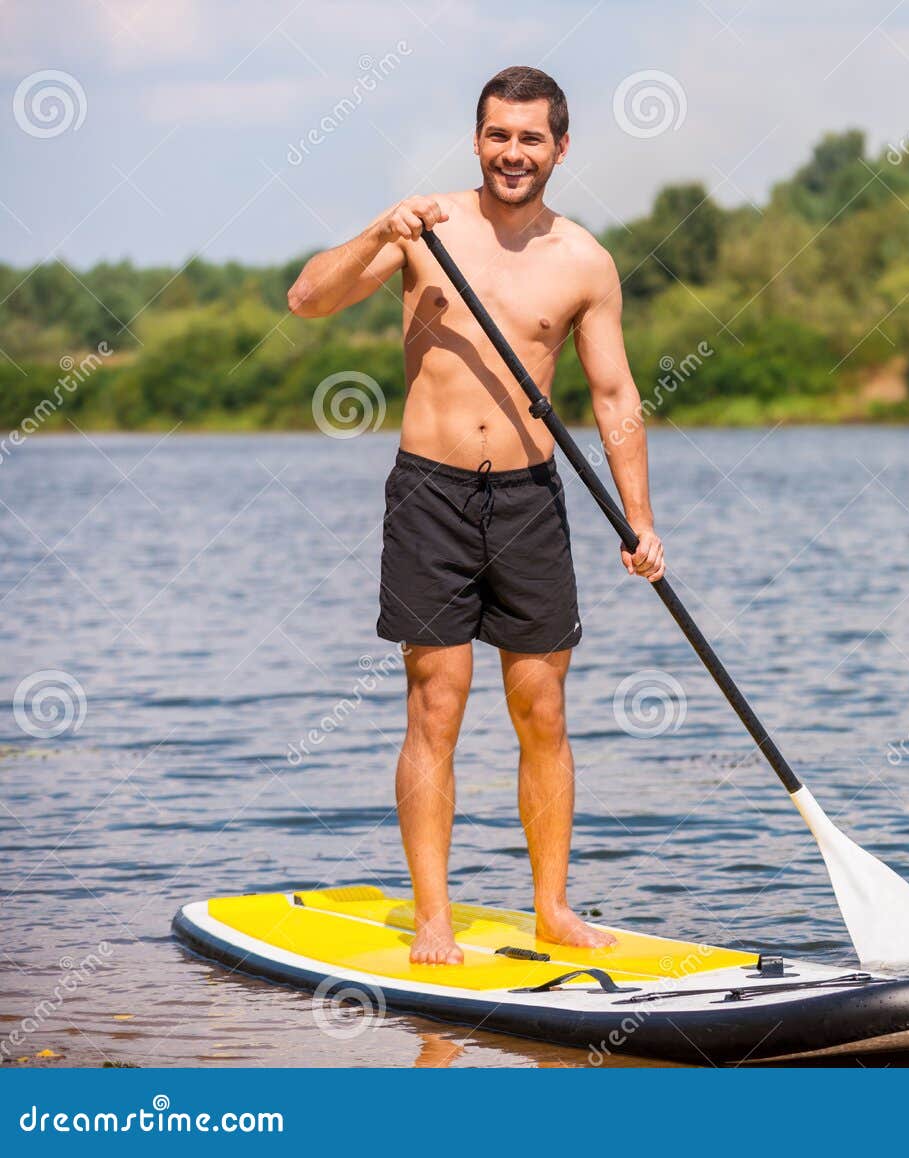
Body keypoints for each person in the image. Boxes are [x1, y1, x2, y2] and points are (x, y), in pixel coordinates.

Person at [286, 66, 664, 964]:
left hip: (533, 500)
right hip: (431, 495)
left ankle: (554, 909)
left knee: (544, 710)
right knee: (435, 705)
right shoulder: (429, 230)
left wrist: (640, 520)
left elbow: (614, 395)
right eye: (499, 135)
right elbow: (308, 300)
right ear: (478, 140)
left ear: (560, 148)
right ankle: (432, 916)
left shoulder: (584, 260)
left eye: (532, 138)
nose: (513, 153)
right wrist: (384, 227)